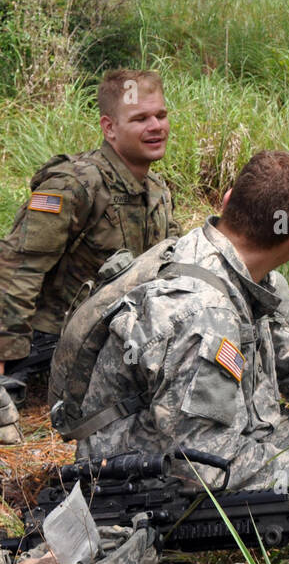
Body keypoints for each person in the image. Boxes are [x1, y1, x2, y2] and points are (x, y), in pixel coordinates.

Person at [75, 150, 289, 494]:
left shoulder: (247, 275)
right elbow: (199, 463)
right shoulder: (203, 313)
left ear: (226, 201)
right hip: (138, 469)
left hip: (228, 435)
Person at [0, 68, 178, 422]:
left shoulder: (157, 190)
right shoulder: (74, 185)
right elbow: (18, 269)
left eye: (160, 115)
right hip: (51, 340)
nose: (156, 126)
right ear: (109, 128)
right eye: (140, 118)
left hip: (118, 334)